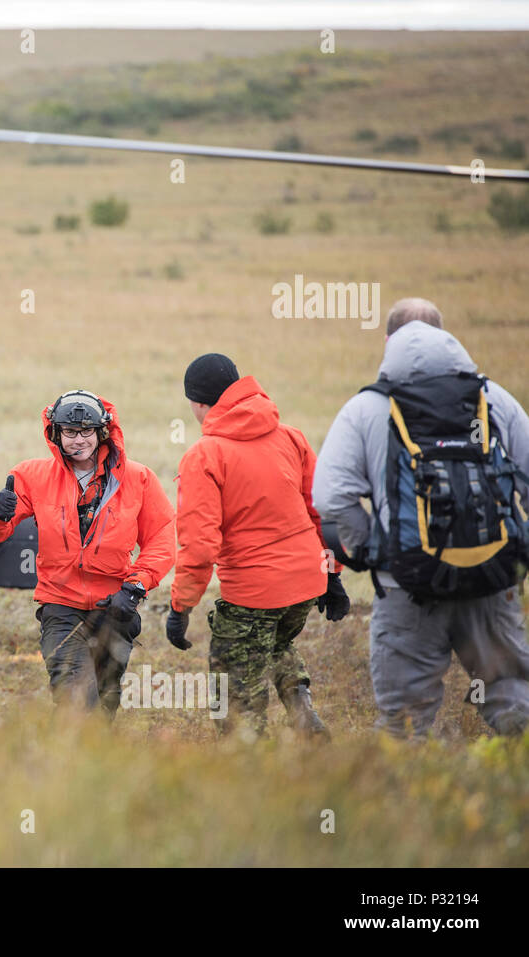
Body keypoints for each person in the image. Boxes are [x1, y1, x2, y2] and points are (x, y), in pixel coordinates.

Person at [313, 301, 529, 738]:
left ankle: (406, 805)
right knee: (512, 700)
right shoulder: (492, 397)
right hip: (493, 580)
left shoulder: (368, 407)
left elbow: (329, 496)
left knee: (405, 724)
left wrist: (378, 549)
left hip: (406, 586)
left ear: (388, 342)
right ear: (448, 339)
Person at [168, 354, 344, 740]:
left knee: (234, 694)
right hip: (305, 584)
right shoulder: (290, 436)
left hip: (253, 592)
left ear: (198, 403)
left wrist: (181, 606)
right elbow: (323, 511)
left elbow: (199, 546)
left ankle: (246, 767)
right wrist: (333, 576)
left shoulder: (205, 455)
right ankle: (301, 709)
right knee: (275, 640)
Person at [0, 390, 175, 716]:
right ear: (56, 433)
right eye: (70, 432)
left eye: (86, 431)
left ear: (102, 433)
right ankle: (68, 757)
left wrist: (136, 585)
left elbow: (162, 538)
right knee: (75, 698)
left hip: (115, 607)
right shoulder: (32, 476)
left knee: (105, 701)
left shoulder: (138, 479)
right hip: (60, 607)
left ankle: (90, 763)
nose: (77, 440)